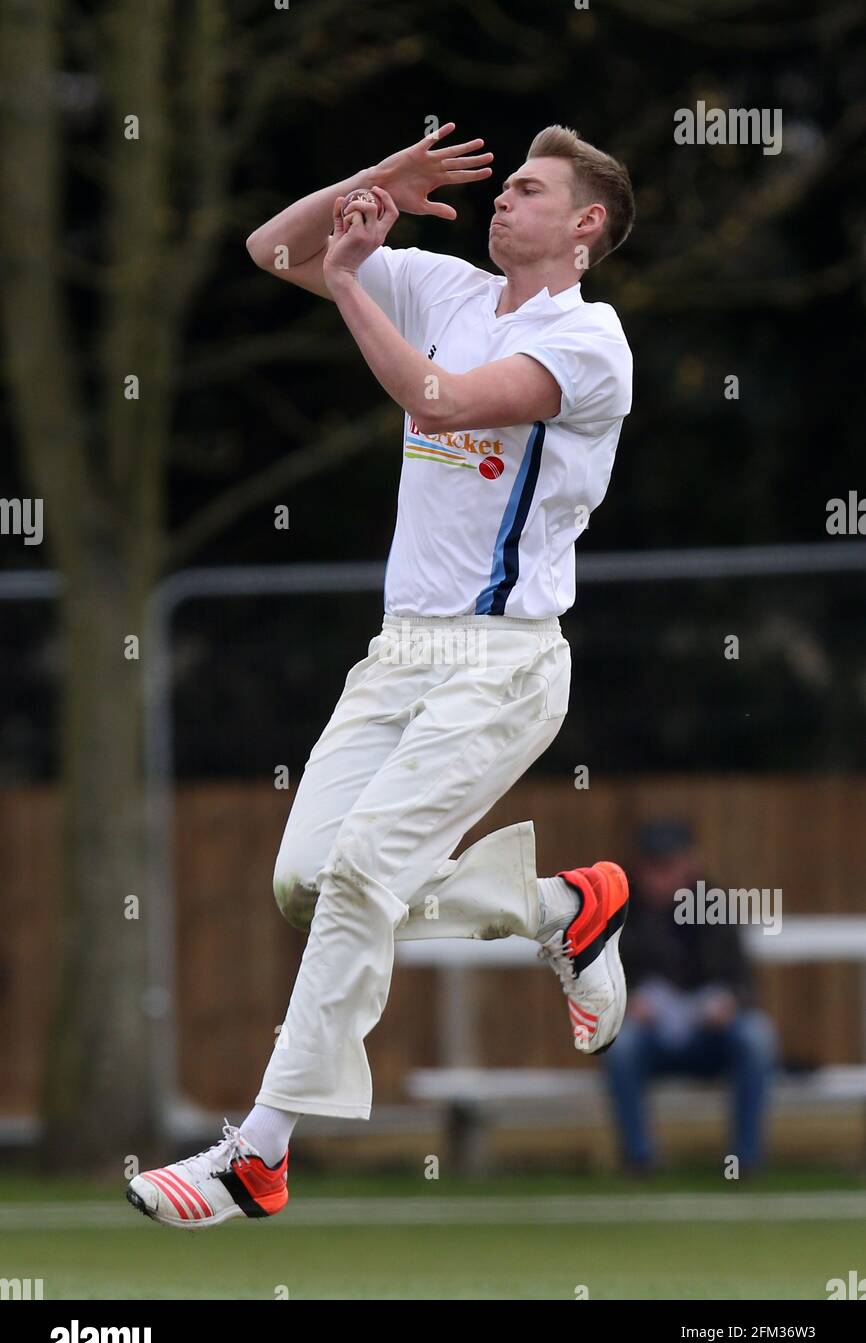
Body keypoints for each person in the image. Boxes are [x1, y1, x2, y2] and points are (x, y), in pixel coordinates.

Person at [127, 122, 635, 1226]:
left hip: (500, 666)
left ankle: (257, 1152)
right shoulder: (445, 286)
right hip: (397, 652)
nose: (503, 202)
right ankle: (559, 906)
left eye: (530, 192)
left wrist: (354, 278)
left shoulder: (589, 344)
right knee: (303, 883)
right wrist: (370, 186)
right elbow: (271, 247)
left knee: (360, 875)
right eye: (502, 189)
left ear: (585, 226)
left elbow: (440, 402)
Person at [600, 819, 778, 1176]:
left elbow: (744, 981)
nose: (661, 877)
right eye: (653, 867)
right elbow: (593, 981)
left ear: (690, 863)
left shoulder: (716, 907)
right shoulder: (620, 913)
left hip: (710, 1034)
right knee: (620, 1044)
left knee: (756, 1036)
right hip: (650, 1036)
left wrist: (729, 1003)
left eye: (669, 865)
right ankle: (639, 1160)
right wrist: (624, 1003)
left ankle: (744, 1160)